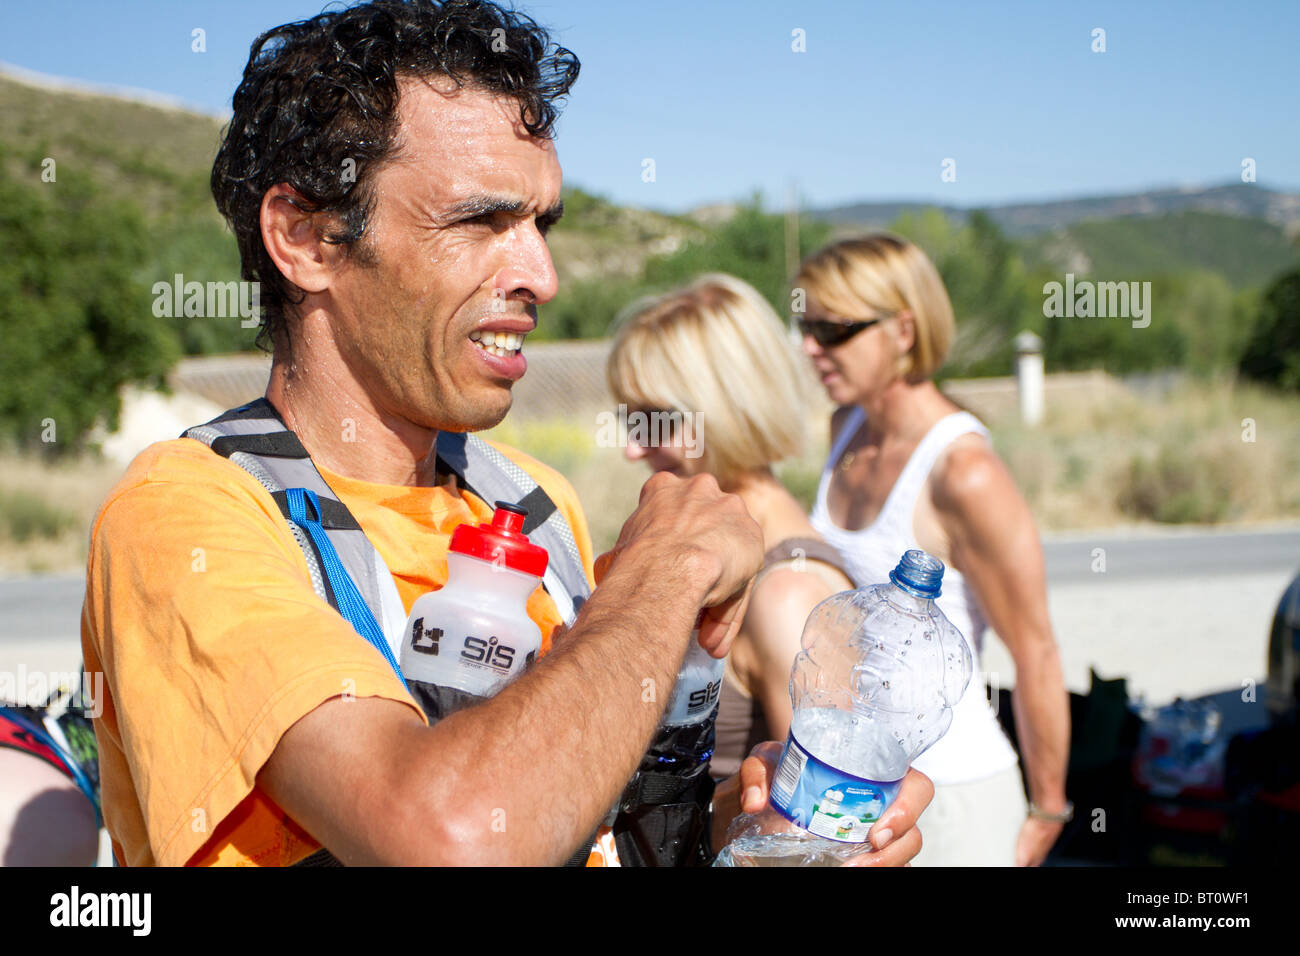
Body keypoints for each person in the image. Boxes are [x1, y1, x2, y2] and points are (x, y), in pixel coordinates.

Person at [79, 1, 931, 866]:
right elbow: (445, 838)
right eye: (481, 222)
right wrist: (666, 573)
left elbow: (595, 831)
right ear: (305, 239)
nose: (541, 276)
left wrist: (761, 837)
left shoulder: (530, 499)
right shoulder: (190, 515)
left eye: (540, 224)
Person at [795, 233, 1071, 867]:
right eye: (806, 325)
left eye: (834, 329)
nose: (812, 347)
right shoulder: (847, 428)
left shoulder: (963, 471)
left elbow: (1035, 650)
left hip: (955, 795)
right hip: (856, 786)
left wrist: (1049, 807)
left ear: (903, 329)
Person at [606, 274, 855, 781]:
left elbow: (820, 828)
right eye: (628, 420)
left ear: (727, 409)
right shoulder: (724, 551)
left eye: (654, 419)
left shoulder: (787, 594)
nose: (633, 447)